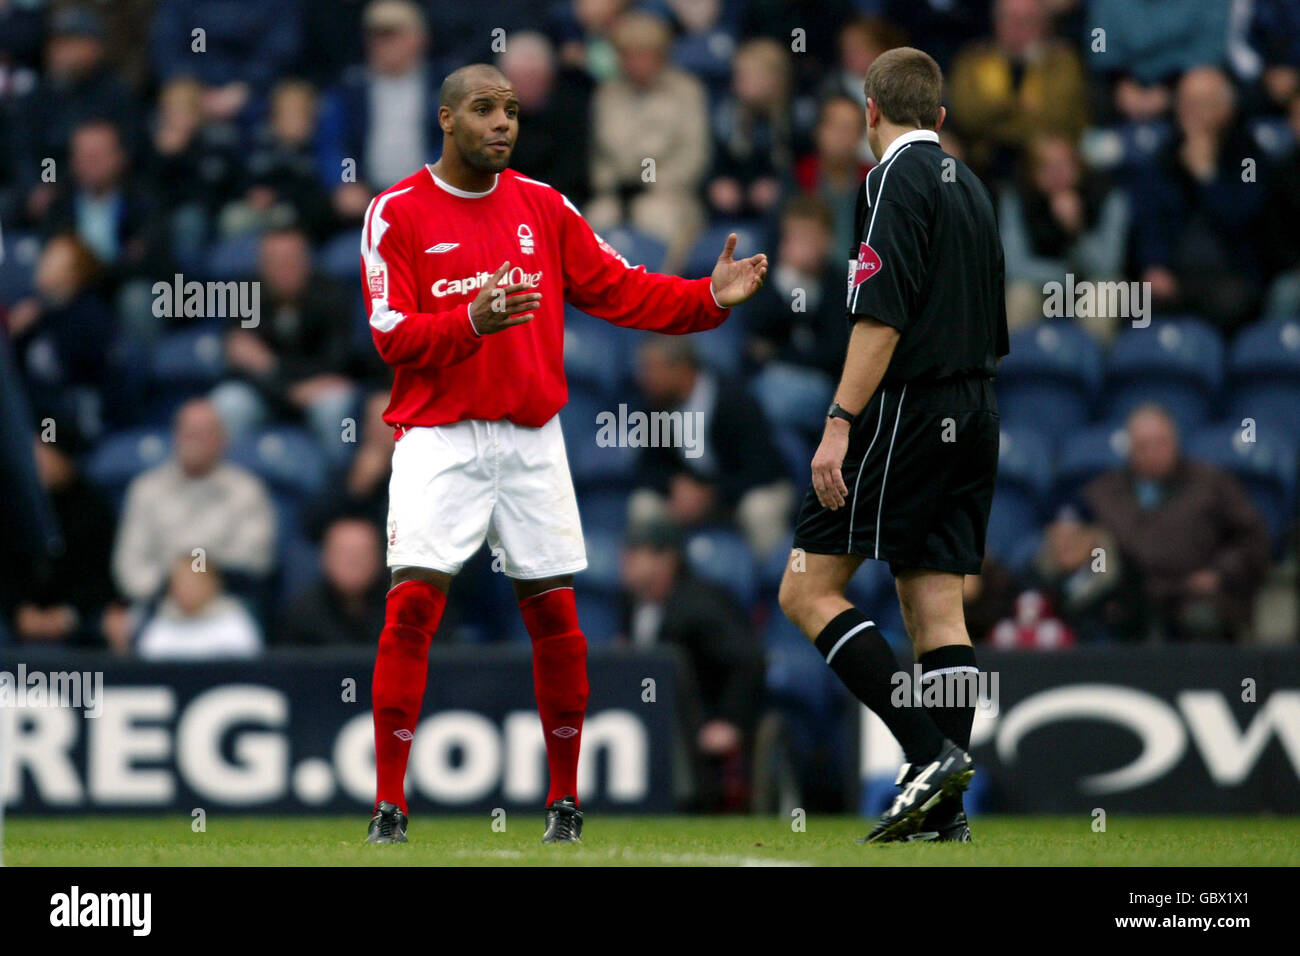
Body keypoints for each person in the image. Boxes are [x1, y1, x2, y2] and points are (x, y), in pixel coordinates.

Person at [358, 62, 767, 844]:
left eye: (510, 109)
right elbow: (389, 332)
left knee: (555, 615)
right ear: (446, 120)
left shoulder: (543, 207)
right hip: (438, 435)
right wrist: (469, 323)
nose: (503, 123)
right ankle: (389, 804)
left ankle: (566, 802)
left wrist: (707, 297)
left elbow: (621, 288)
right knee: (412, 609)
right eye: (484, 110)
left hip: (530, 438)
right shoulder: (396, 211)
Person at [777, 48, 1008, 843]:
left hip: (910, 404)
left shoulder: (889, 181)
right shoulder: (970, 185)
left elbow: (882, 315)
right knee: (936, 602)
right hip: (978, 408)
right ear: (939, 117)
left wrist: (840, 421)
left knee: (806, 589)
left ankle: (927, 756)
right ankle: (946, 816)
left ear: (870, 111)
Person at [1083, 404, 1270, 642]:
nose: (1153, 452)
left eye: (1160, 442)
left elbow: (1252, 539)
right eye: (1143, 445)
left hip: (1196, 595)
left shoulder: (1213, 484)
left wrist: (1219, 573)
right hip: (1130, 599)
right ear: (1129, 448)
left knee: (1201, 620)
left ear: (1175, 441)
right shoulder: (1103, 493)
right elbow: (1086, 544)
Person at [617, 520, 766, 812]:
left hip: (699, 723)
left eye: (637, 552)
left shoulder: (703, 606)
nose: (626, 560)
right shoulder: (629, 604)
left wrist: (730, 720)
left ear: (666, 559)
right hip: (653, 724)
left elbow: (747, 662)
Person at [111, 399, 277, 605]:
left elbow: (255, 560)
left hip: (227, 601)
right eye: (188, 433)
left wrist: (203, 582)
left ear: (222, 440)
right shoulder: (146, 490)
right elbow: (130, 564)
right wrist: (173, 586)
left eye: (203, 434)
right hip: (160, 602)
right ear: (175, 436)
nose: (194, 442)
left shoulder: (247, 490)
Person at [277, 518, 387, 646]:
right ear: (325, 558)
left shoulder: (403, 614)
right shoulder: (300, 615)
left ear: (380, 559)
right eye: (345, 554)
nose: (353, 563)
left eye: (362, 555)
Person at [136, 556, 262, 660]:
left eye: (194, 583)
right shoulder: (159, 625)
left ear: (213, 584)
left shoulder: (234, 623)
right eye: (182, 584)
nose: (187, 590)